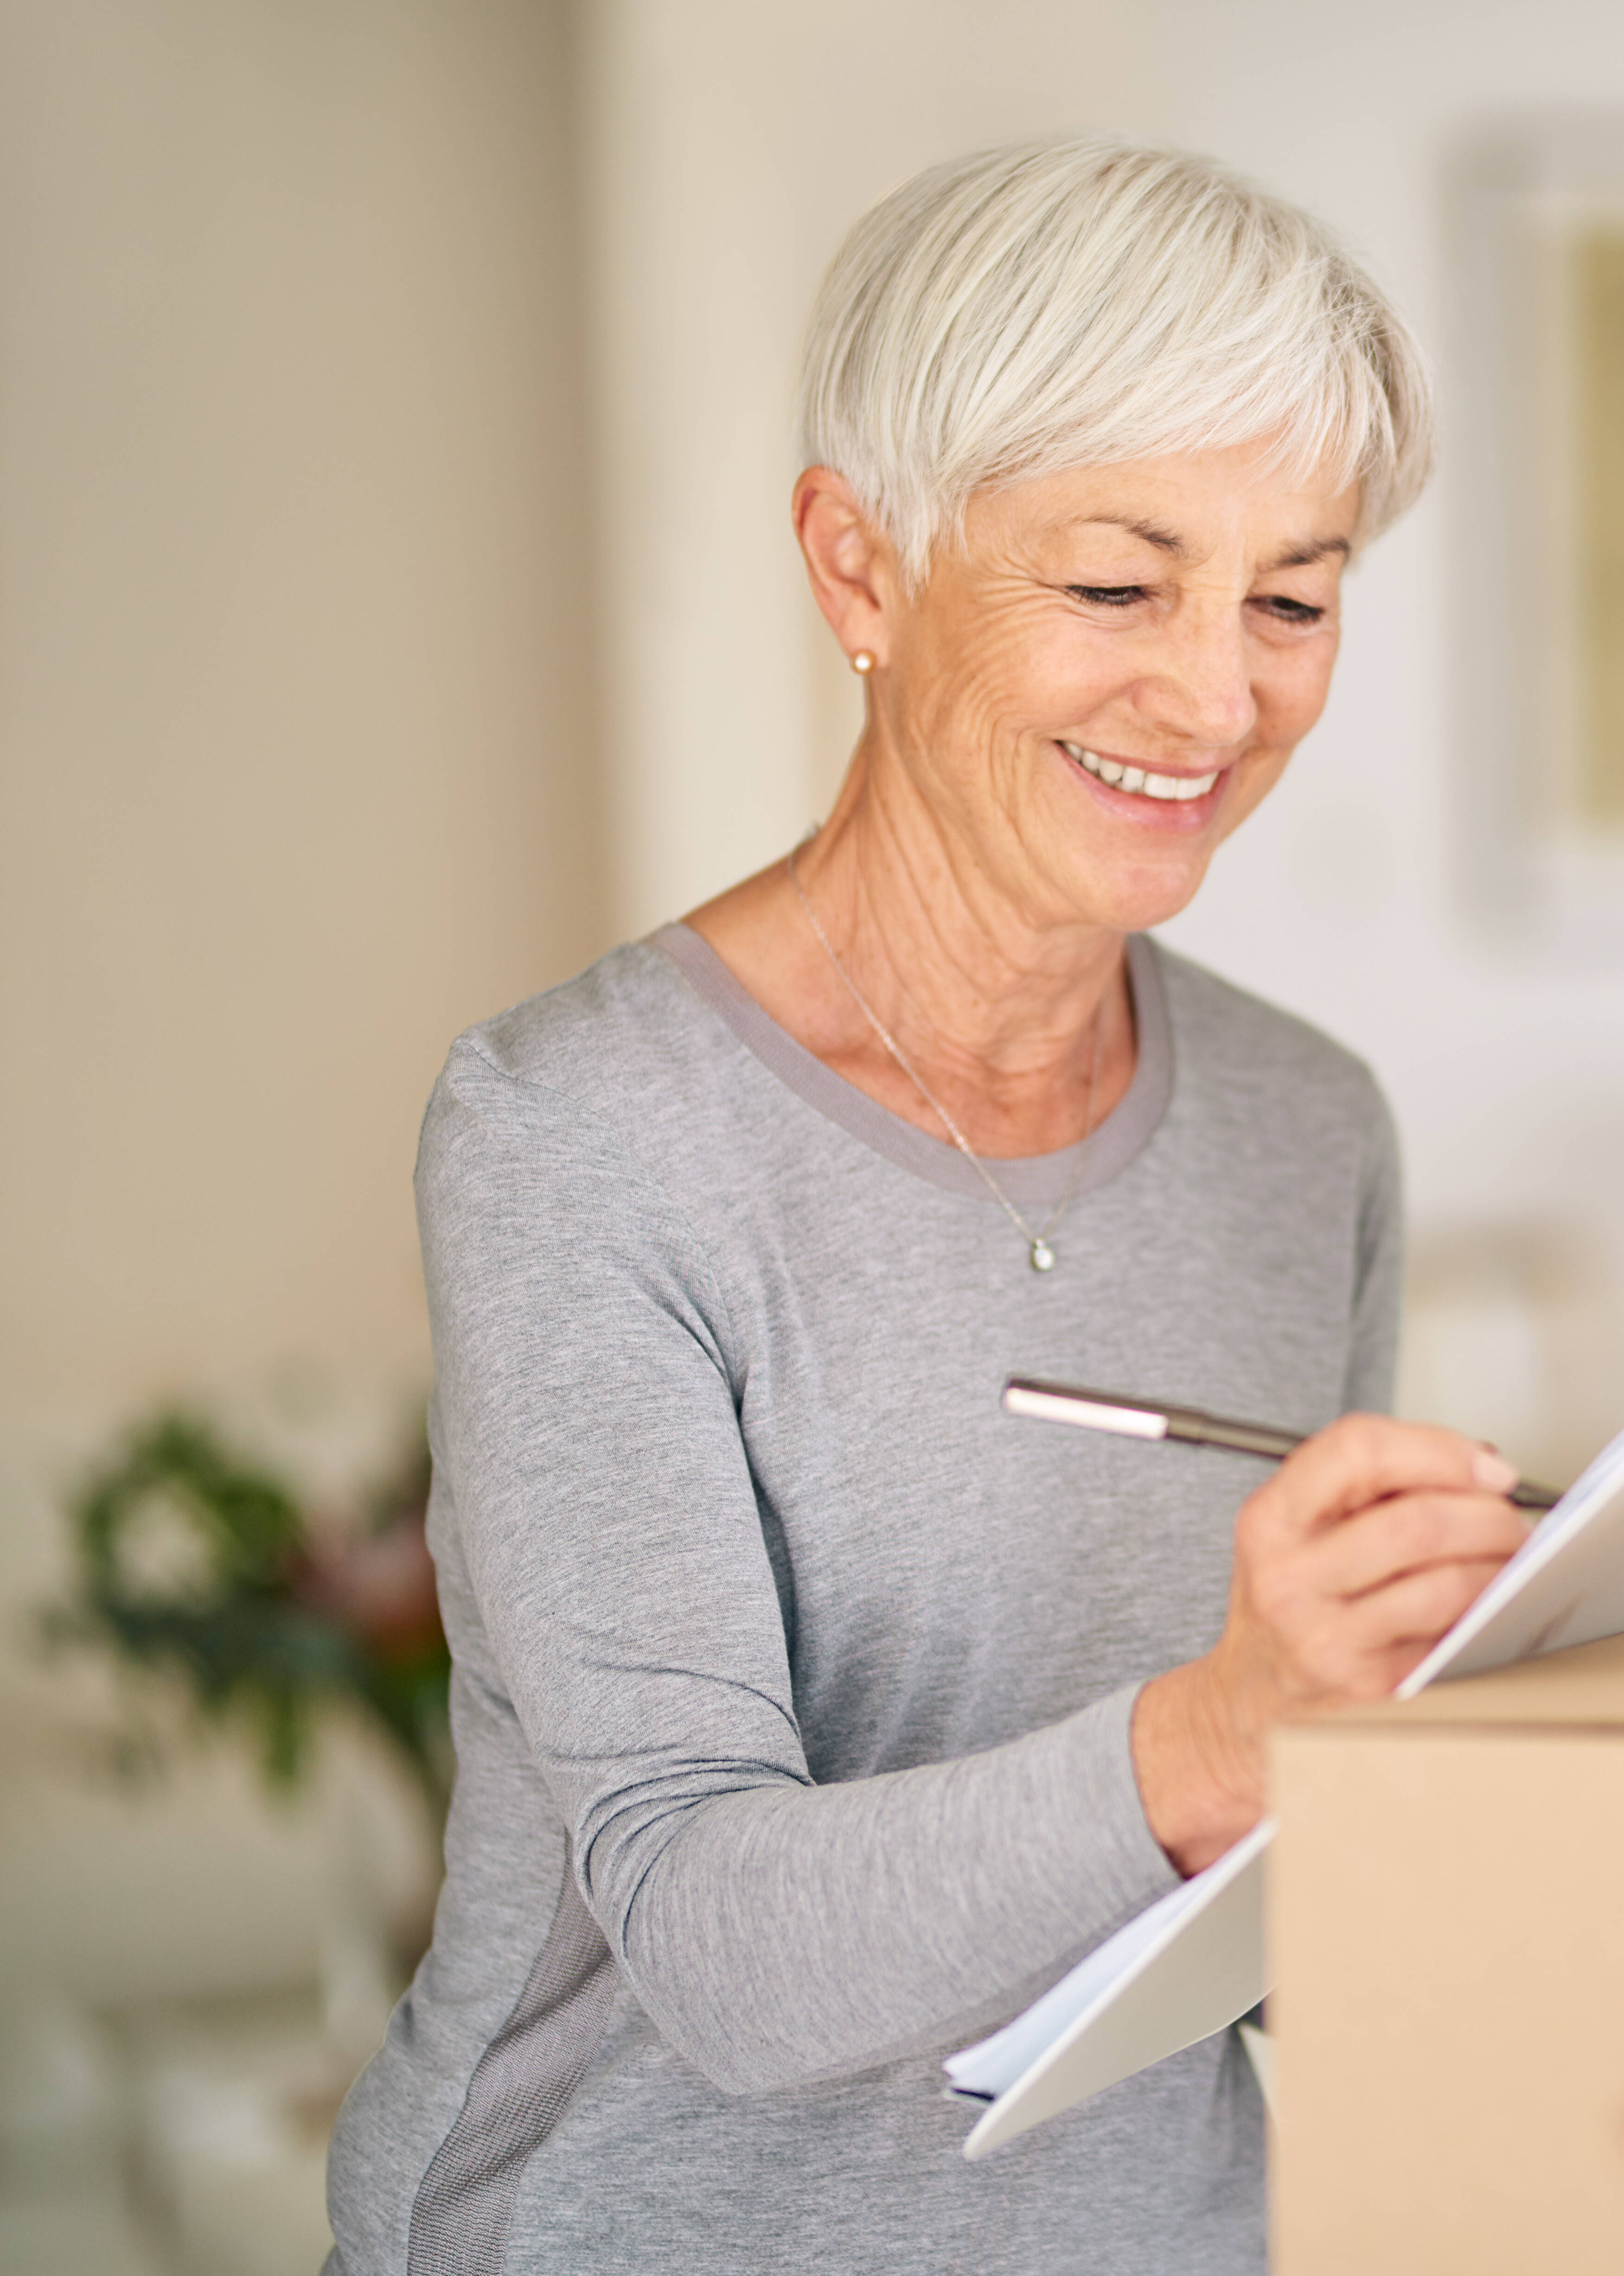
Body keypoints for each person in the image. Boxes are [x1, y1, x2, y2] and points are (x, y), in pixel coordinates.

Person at [326, 137, 1528, 2275]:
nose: (1217, 697)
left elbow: (1268, 1915)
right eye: (1116, 587)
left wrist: (1479, 1748)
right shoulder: (577, 1134)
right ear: (858, 568)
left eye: (1290, 597)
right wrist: (1215, 1738)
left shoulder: (1302, 1129)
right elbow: (714, 1944)